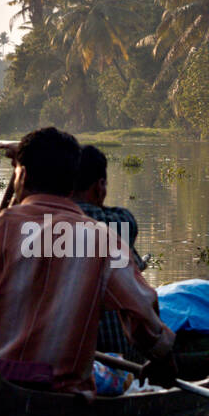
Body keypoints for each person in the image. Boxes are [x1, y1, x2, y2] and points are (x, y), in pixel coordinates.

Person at [0, 127, 174, 395]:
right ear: (71, 183)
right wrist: (164, 359)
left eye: (18, 171)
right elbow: (143, 316)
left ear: (24, 176)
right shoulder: (103, 240)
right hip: (64, 390)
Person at [71, 144, 145, 359]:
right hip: (117, 356)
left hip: (62, 357)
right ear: (99, 187)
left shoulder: (40, 224)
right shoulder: (119, 222)